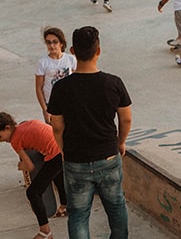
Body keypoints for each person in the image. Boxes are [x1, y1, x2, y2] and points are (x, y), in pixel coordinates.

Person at [49, 26, 132, 239]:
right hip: (108, 156)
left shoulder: (61, 88)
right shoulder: (113, 83)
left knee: (78, 214)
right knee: (116, 206)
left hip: (75, 159)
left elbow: (57, 126)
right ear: (98, 51)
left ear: (73, 51)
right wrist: (120, 142)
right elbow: (126, 119)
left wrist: (63, 149)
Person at [0, 112, 68, 239]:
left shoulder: (15, 141)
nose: (1, 141)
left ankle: (45, 231)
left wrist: (21, 166)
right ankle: (65, 206)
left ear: (7, 128)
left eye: (0, 136)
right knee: (57, 176)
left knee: (33, 193)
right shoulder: (24, 125)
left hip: (54, 155)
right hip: (62, 147)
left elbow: (30, 167)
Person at [35, 27, 77, 124]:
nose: (52, 45)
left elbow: (76, 81)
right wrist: (45, 109)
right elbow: (38, 88)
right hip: (52, 105)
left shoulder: (71, 59)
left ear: (61, 43)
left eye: (55, 42)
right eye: (48, 42)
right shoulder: (42, 63)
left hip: (69, 103)